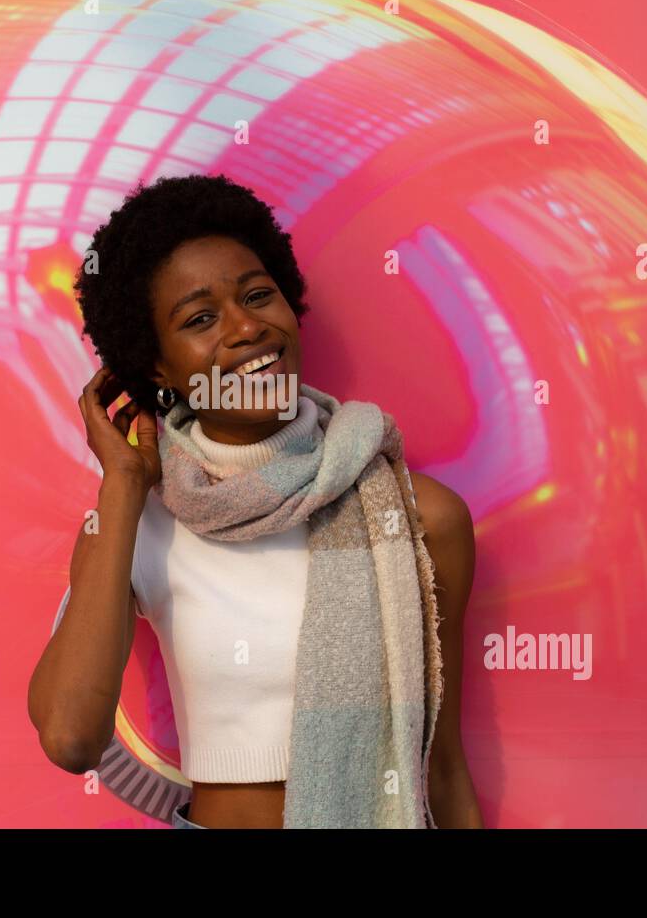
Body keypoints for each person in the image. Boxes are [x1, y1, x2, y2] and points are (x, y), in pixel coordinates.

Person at [29, 173, 481, 828]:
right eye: (200, 318)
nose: (246, 328)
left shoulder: (420, 518)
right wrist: (124, 483)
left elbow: (440, 765)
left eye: (257, 295)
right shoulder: (138, 523)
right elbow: (72, 736)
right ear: (156, 366)